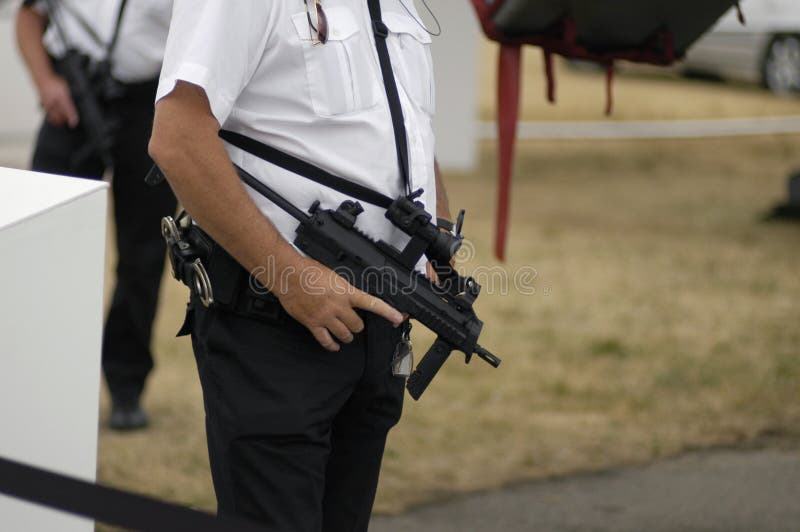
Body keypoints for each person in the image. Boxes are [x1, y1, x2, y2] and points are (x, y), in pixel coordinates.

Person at [148, 0, 452, 529]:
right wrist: (288, 274)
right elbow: (177, 139)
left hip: (378, 321)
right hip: (275, 322)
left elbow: (405, 128)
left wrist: (438, 241)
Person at [16, 0, 177, 430]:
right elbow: (29, 17)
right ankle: (40, 380)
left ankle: (126, 386)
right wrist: (46, 82)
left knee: (142, 259)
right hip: (70, 97)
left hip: (150, 107)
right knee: (42, 252)